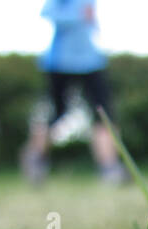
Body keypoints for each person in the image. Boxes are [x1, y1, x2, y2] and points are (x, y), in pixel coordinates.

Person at [20, 1, 125, 184]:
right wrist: (79, 16)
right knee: (56, 113)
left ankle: (110, 168)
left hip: (92, 61)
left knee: (104, 115)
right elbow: (48, 14)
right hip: (60, 62)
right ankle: (35, 158)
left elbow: (93, 23)